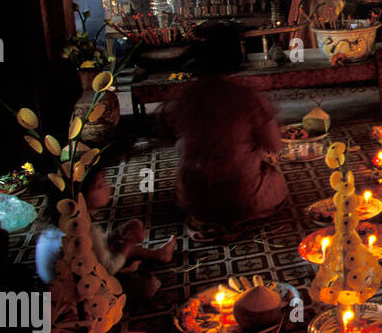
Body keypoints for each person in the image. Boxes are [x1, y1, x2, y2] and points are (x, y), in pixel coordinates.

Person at [165, 24, 290, 241]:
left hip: (195, 200)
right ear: (235, 55)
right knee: (275, 178)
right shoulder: (247, 97)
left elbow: (170, 136)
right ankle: (243, 212)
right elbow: (274, 145)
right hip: (242, 198)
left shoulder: (181, 97)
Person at [36, 162, 176, 305]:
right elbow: (108, 269)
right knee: (147, 285)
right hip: (75, 294)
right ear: (81, 196)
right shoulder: (85, 230)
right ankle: (137, 266)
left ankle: (158, 254)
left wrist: (118, 236)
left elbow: (95, 249)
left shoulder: (64, 221)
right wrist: (128, 243)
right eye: (100, 185)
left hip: (63, 278)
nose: (108, 187)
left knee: (117, 244)